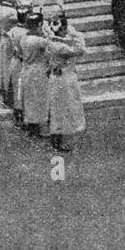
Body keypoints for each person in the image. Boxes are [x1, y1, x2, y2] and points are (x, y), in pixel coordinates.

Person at [45, 11, 87, 151]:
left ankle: (58, 137)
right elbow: (80, 49)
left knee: (61, 108)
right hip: (62, 79)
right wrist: (75, 33)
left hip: (61, 77)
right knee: (60, 109)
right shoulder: (59, 46)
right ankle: (57, 140)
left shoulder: (52, 40)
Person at [19, 11, 51, 138]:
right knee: (40, 100)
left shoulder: (24, 38)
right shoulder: (38, 41)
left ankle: (32, 127)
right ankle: (40, 128)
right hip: (38, 71)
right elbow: (50, 45)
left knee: (30, 100)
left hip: (27, 70)